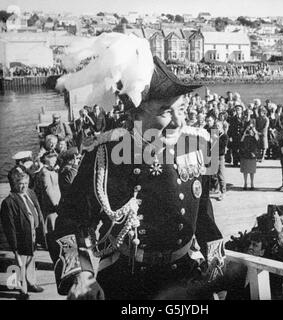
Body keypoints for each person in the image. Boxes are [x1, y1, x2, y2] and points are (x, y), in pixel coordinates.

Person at [49, 39, 224, 300]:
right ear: (135, 115)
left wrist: (216, 267)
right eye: (166, 111)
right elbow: (69, 220)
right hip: (129, 281)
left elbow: (205, 218)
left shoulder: (196, 145)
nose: (178, 121)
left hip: (185, 279)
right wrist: (81, 273)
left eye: (182, 109)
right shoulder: (105, 155)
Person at [0, 168, 46, 299]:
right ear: (14, 184)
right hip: (21, 238)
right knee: (20, 264)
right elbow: (10, 228)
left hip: (33, 234)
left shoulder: (30, 193)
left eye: (26, 183)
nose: (24, 186)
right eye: (21, 183)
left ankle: (31, 282)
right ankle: (23, 290)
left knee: (31, 260)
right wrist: (14, 248)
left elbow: (37, 209)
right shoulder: (8, 202)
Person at [34, 151, 61, 233]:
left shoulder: (52, 170)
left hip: (56, 201)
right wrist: (56, 205)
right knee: (51, 225)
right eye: (52, 160)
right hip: (51, 204)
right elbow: (48, 190)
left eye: (55, 160)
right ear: (46, 160)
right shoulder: (45, 173)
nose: (54, 162)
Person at [211, 121, 228, 201]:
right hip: (213, 156)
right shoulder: (213, 135)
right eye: (216, 126)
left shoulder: (224, 136)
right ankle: (215, 189)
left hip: (220, 157)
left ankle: (223, 192)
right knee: (214, 174)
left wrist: (216, 138)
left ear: (221, 127)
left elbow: (223, 145)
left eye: (218, 126)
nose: (217, 127)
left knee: (221, 174)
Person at [239, 124, 259, 190]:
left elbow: (257, 139)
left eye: (251, 131)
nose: (250, 131)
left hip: (252, 155)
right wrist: (245, 131)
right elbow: (241, 141)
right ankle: (245, 183)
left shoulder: (254, 137)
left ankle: (252, 184)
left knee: (252, 171)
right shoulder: (245, 137)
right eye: (249, 130)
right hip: (245, 155)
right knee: (245, 171)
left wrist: (254, 129)